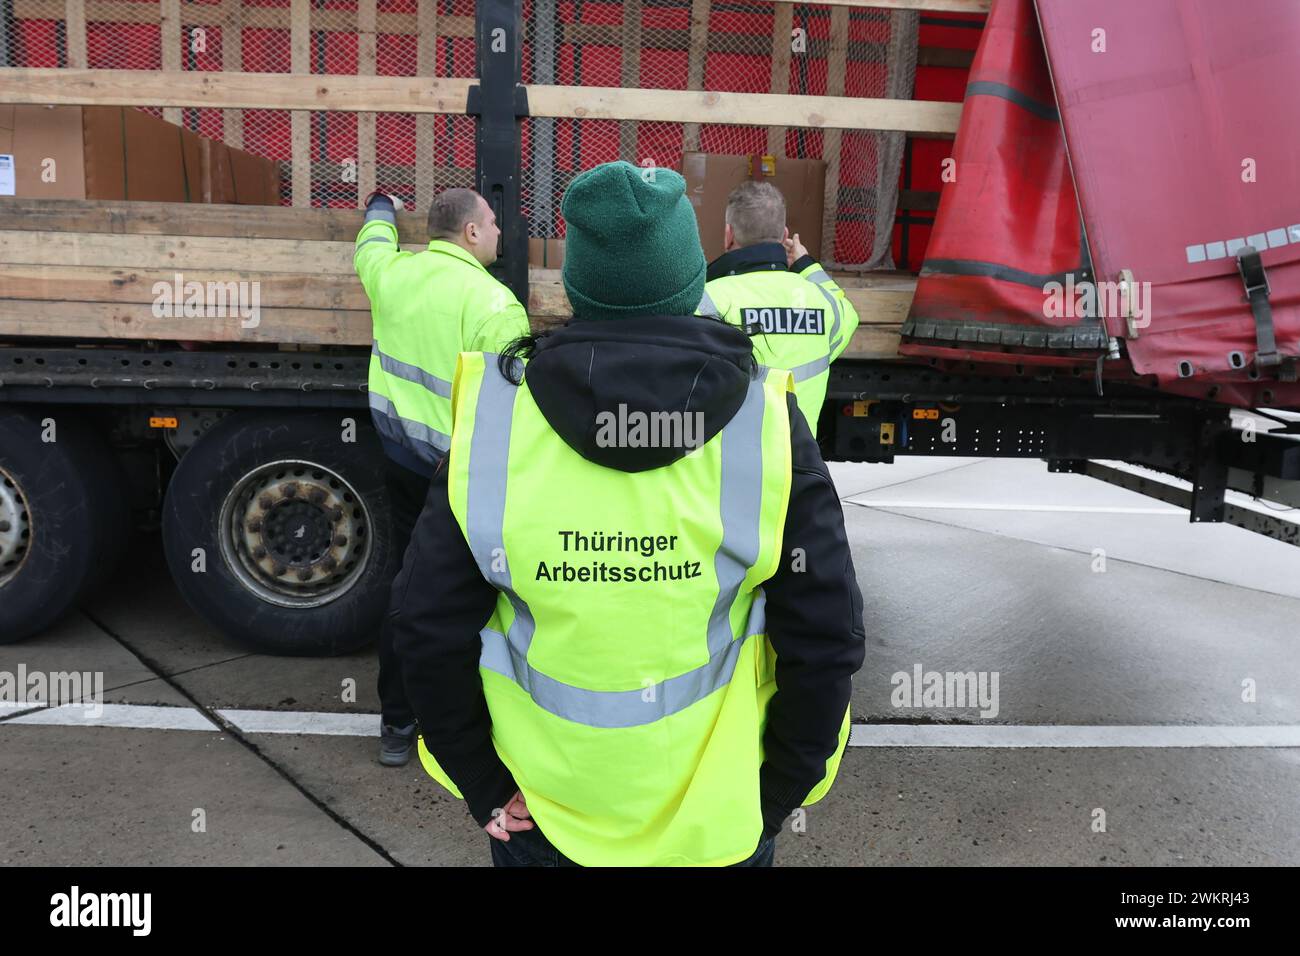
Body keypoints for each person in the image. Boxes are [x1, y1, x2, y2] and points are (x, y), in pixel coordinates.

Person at [391, 160, 865, 866]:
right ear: (690, 282)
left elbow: (425, 627)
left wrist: (483, 785)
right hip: (715, 821)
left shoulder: (496, 421)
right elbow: (824, 634)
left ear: (580, 287)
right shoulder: (763, 423)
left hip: (546, 817)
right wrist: (774, 795)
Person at [354, 187, 530, 765]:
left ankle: (397, 723)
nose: (500, 234)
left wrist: (381, 206)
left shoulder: (393, 274)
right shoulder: (494, 304)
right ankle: (472, 728)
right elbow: (515, 411)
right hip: (458, 477)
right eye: (495, 223)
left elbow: (369, 246)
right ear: (472, 233)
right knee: (478, 596)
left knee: (407, 591)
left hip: (400, 460)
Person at [699, 180, 860, 436]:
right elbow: (848, 315)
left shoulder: (709, 299)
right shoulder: (822, 302)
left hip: (733, 463)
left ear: (728, 234)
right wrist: (806, 264)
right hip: (799, 466)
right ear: (785, 235)